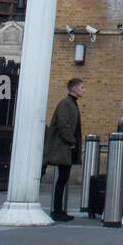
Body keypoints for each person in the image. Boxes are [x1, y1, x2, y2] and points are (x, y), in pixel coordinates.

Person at [43, 78, 84, 221]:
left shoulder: (72, 104)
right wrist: (71, 141)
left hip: (67, 148)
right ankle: (57, 211)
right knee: (61, 180)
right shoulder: (66, 103)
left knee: (63, 179)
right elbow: (63, 124)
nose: (83, 90)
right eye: (81, 87)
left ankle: (59, 210)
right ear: (74, 89)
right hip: (62, 148)